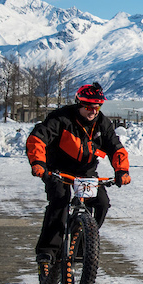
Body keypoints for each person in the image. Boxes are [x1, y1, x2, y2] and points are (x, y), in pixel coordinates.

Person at [25, 82, 131, 269]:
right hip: (58, 169)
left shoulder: (102, 123)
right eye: (88, 106)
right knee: (60, 200)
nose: (92, 111)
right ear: (79, 104)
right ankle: (47, 251)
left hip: (85, 172)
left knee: (101, 203)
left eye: (97, 107)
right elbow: (37, 139)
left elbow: (116, 148)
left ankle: (83, 244)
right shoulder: (61, 118)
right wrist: (38, 163)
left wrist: (121, 170)